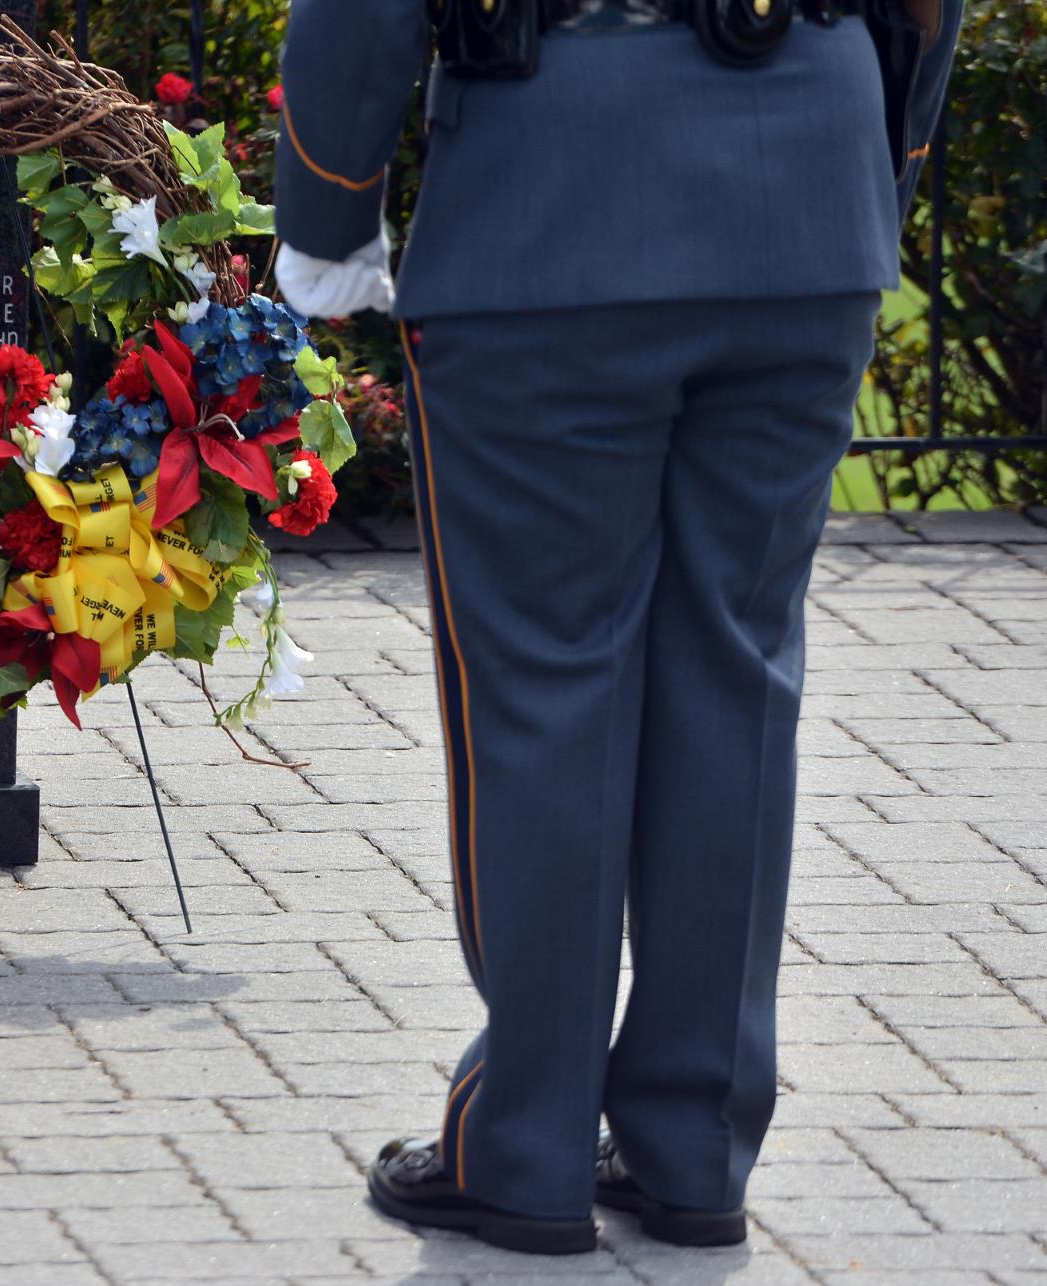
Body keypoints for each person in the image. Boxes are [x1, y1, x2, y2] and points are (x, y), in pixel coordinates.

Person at [272, 0, 963, 1257]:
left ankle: (526, 1145)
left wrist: (327, 218)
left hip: (553, 200)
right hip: (804, 193)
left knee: (545, 683)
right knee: (736, 673)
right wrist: (868, 164)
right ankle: (691, 1143)